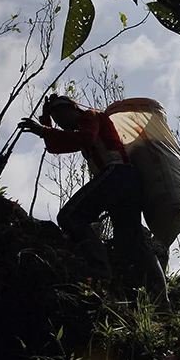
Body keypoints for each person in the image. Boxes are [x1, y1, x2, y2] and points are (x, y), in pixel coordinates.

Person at [19, 95, 167, 303]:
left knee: (71, 216)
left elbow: (85, 138)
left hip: (117, 174)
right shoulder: (82, 127)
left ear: (72, 110)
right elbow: (55, 147)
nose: (61, 124)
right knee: (131, 241)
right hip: (127, 181)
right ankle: (161, 300)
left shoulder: (91, 116)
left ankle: (100, 272)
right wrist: (46, 125)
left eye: (60, 117)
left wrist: (44, 130)